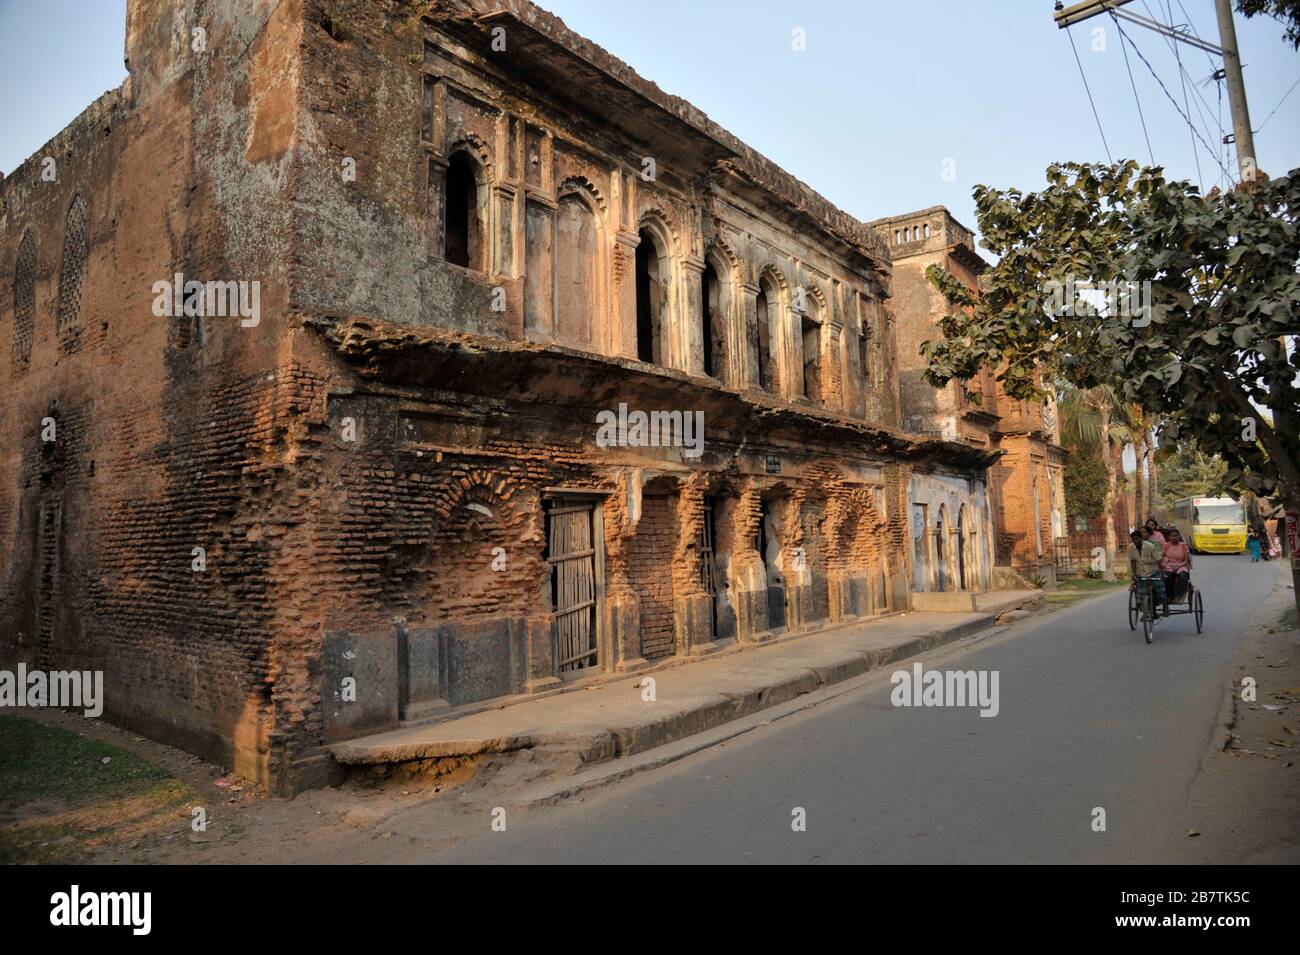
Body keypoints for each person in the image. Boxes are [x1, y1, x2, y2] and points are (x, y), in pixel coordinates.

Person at [1128, 527, 1167, 615]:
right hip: (1141, 572)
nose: (1136, 541)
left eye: (1138, 538)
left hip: (1153, 570)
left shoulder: (1150, 546)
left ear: (1141, 539)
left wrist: (1162, 573)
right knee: (1141, 592)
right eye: (1134, 539)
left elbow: (1158, 560)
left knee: (1160, 590)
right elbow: (1133, 561)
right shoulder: (1131, 547)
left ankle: (1165, 606)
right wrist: (1134, 574)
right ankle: (1146, 609)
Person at [1160, 528, 1192, 610]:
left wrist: (1178, 565)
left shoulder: (1183, 546)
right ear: (1169, 537)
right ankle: (1169, 595)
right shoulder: (1166, 545)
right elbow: (1162, 556)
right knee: (1167, 576)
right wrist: (1168, 564)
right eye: (1172, 536)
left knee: (1183, 575)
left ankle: (1179, 595)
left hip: (1181, 564)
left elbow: (1186, 560)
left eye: (1176, 536)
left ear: (1179, 537)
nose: (1174, 537)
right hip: (1168, 564)